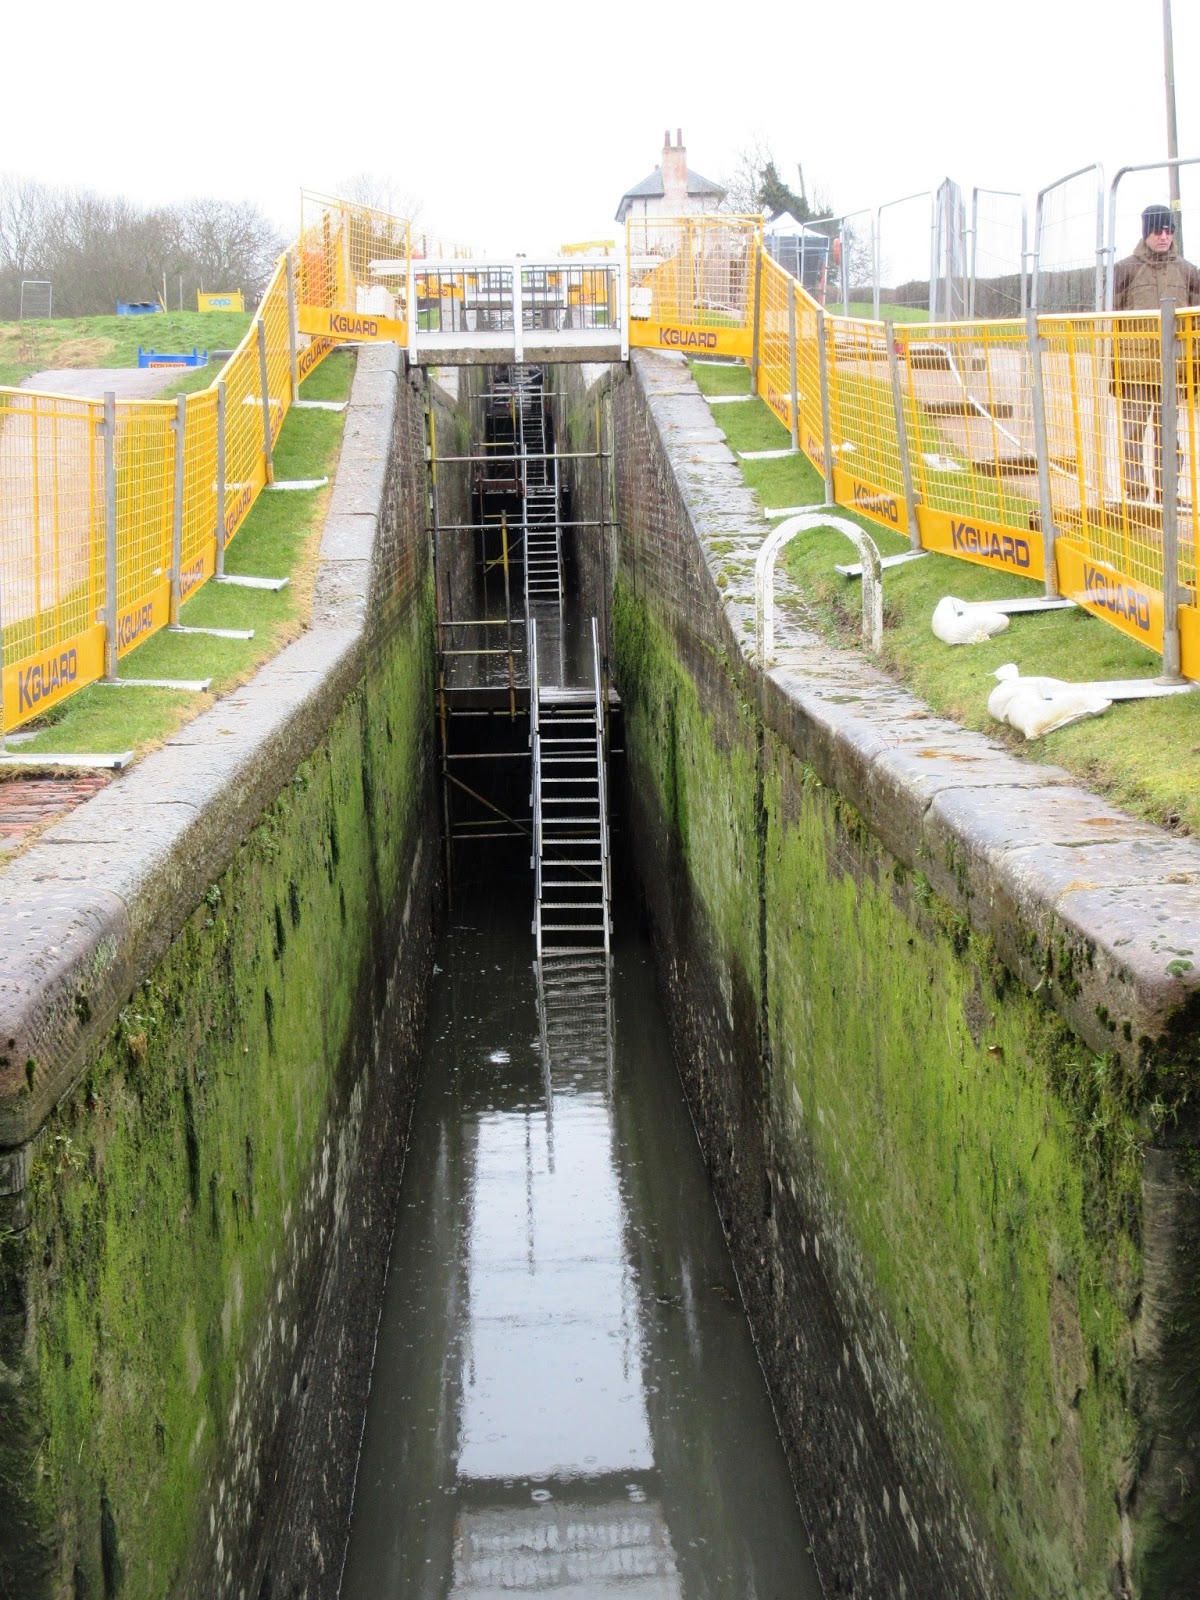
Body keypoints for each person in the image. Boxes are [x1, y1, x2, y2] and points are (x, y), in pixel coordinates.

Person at [1111, 204, 1200, 502]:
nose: (1164, 237)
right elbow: (1111, 323)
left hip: (1169, 370)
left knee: (1168, 437)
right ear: (1146, 231)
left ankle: (1167, 496)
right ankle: (1136, 496)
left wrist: (1193, 368)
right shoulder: (1125, 269)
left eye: (1169, 230)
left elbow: (1194, 322)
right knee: (1133, 434)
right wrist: (1115, 370)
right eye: (1157, 230)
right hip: (1134, 367)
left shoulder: (1187, 271)